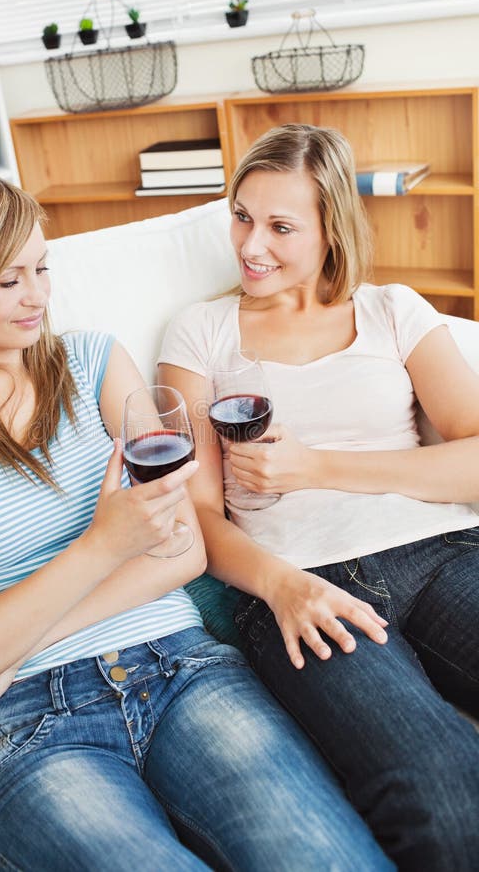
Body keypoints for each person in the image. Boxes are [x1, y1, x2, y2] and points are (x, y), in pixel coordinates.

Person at [0, 167, 391, 872]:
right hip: (27, 726)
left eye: (42, 269)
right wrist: (102, 547)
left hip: (180, 671)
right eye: (9, 279)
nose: (39, 296)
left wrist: (7, 652)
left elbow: (183, 554)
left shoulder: (95, 363)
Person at [159, 122, 479, 872]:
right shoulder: (202, 333)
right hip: (303, 584)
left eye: (280, 226)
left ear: (332, 228)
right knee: (447, 793)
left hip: (440, 554)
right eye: (241, 216)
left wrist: (318, 466)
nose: (250, 246)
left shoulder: (393, 311)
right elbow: (199, 516)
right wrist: (280, 588)